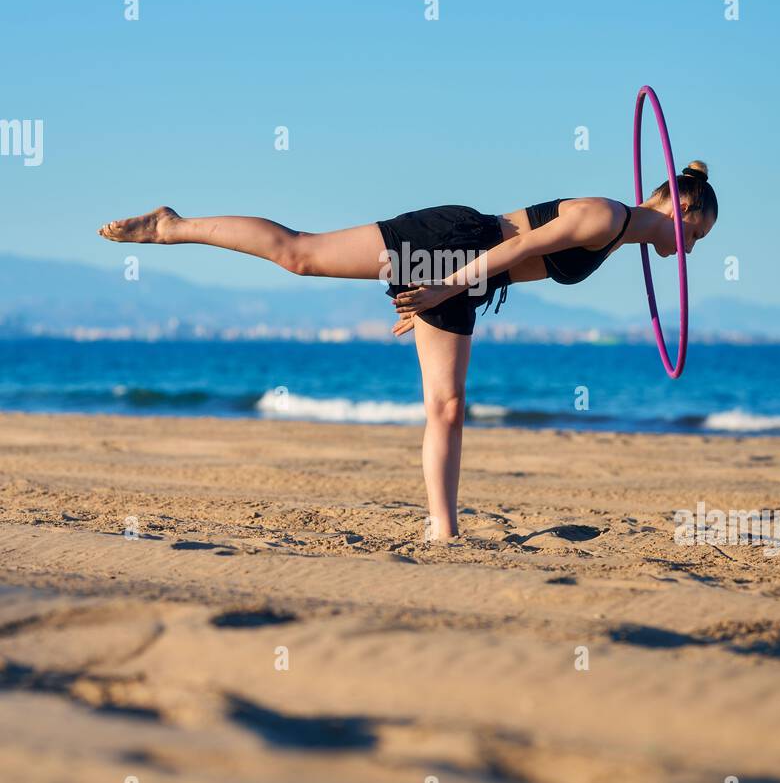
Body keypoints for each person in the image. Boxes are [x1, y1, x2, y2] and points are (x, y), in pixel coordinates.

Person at [99, 162, 717, 541]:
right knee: (301, 253)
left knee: (445, 405)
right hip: (457, 246)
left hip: (465, 270)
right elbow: (513, 251)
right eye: (699, 234)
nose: (693, 249)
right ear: (681, 208)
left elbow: (513, 264)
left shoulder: (616, 235)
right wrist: (446, 284)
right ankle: (170, 226)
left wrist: (443, 294)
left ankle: (441, 527)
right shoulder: (605, 217)